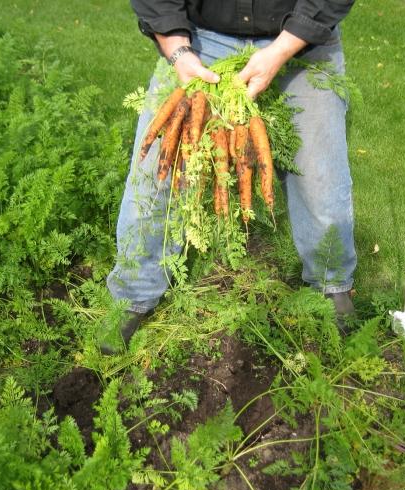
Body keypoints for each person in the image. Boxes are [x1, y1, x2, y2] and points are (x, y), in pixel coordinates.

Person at [105, 0, 358, 351]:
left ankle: (332, 284)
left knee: (320, 175)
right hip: (202, 41)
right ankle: (132, 293)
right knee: (158, 169)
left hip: (303, 38)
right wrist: (178, 52)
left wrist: (283, 49)